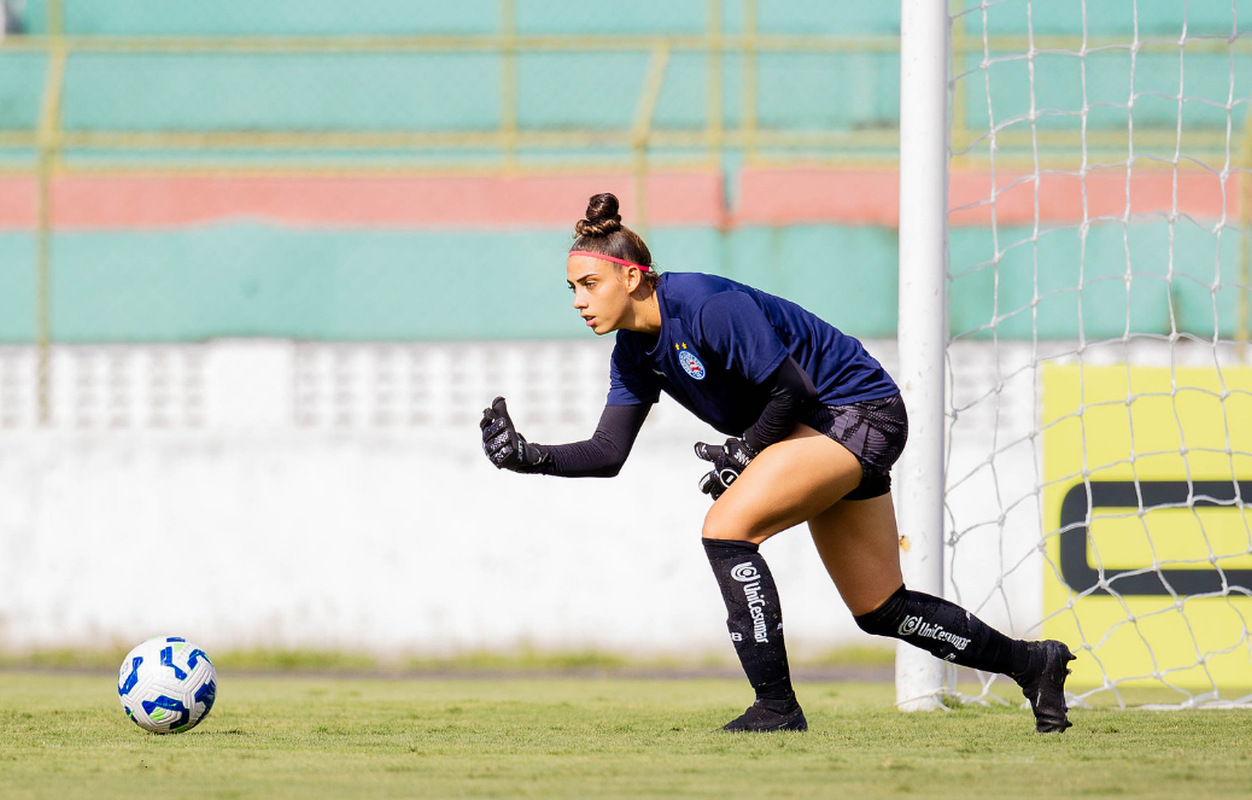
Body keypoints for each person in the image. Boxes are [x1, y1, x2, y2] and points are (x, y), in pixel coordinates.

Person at [480, 192, 1075, 734]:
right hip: (817, 429)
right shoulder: (633, 351)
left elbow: (794, 392)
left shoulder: (708, 306)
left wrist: (746, 450)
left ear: (632, 278)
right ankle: (1033, 663)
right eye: (573, 289)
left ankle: (776, 707)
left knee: (727, 531)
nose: (580, 301)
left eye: (589, 283)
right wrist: (528, 456)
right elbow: (608, 453)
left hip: (856, 413)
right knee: (879, 608)